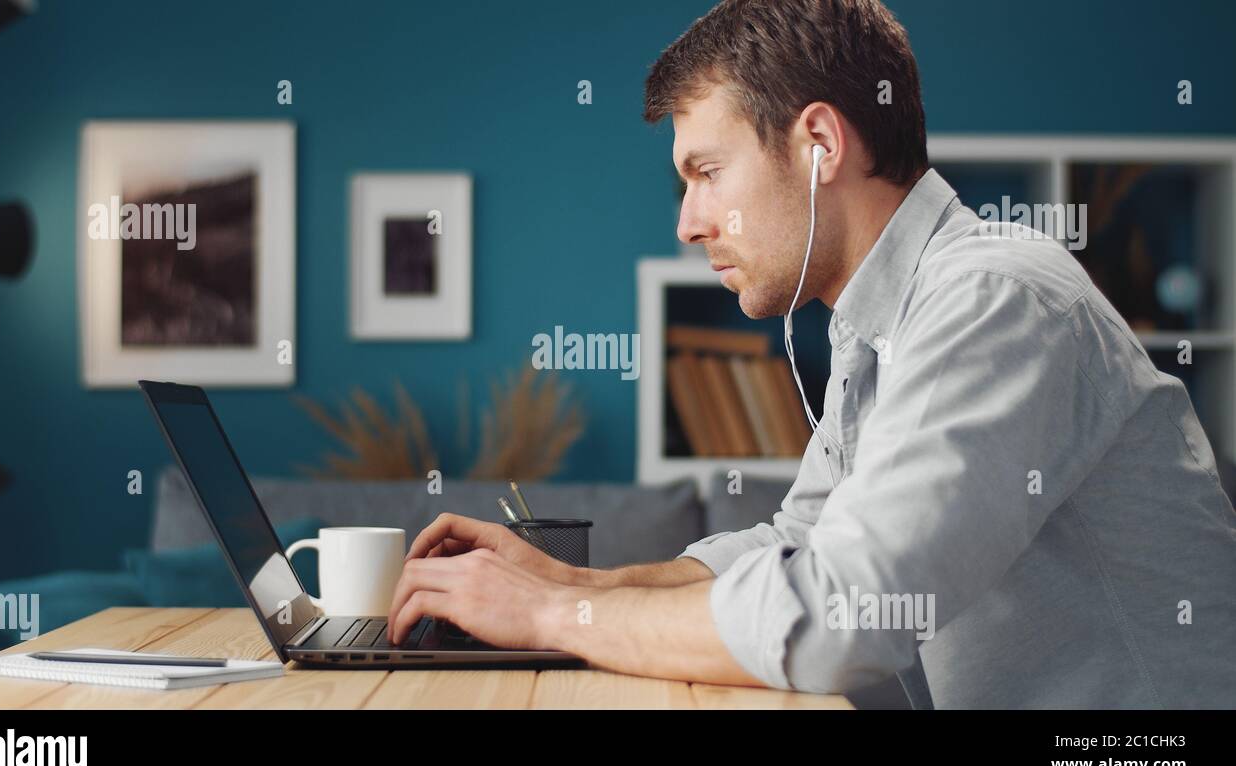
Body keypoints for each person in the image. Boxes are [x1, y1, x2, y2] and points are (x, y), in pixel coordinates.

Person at [386, 0, 1236, 708]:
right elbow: (803, 539)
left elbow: (844, 614)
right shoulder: (880, 319)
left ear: (820, 144)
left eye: (707, 171)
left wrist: (548, 620)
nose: (687, 222)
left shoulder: (993, 301)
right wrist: (577, 589)